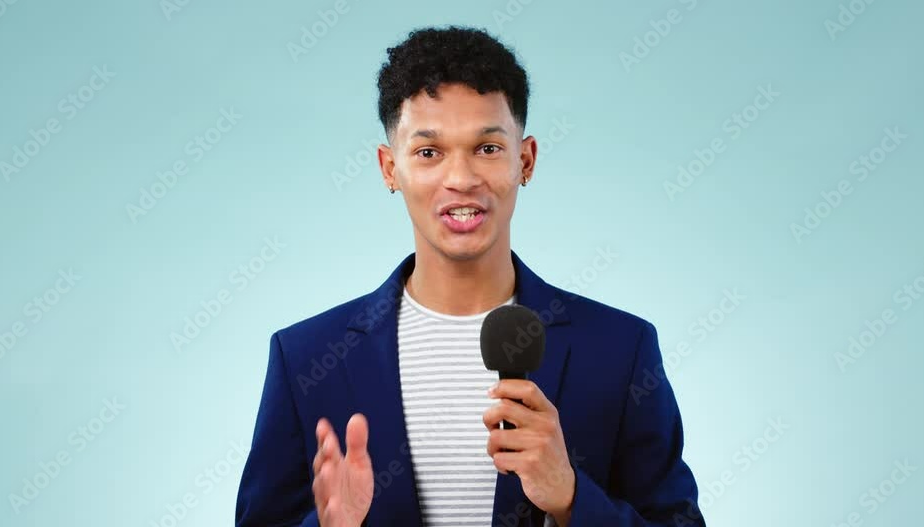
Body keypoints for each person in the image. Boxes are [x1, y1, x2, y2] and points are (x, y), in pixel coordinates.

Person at [235, 25, 705, 527]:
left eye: (487, 148)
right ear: (389, 168)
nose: (461, 179)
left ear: (526, 160)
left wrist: (571, 498)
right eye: (429, 152)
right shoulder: (306, 357)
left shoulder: (621, 348)